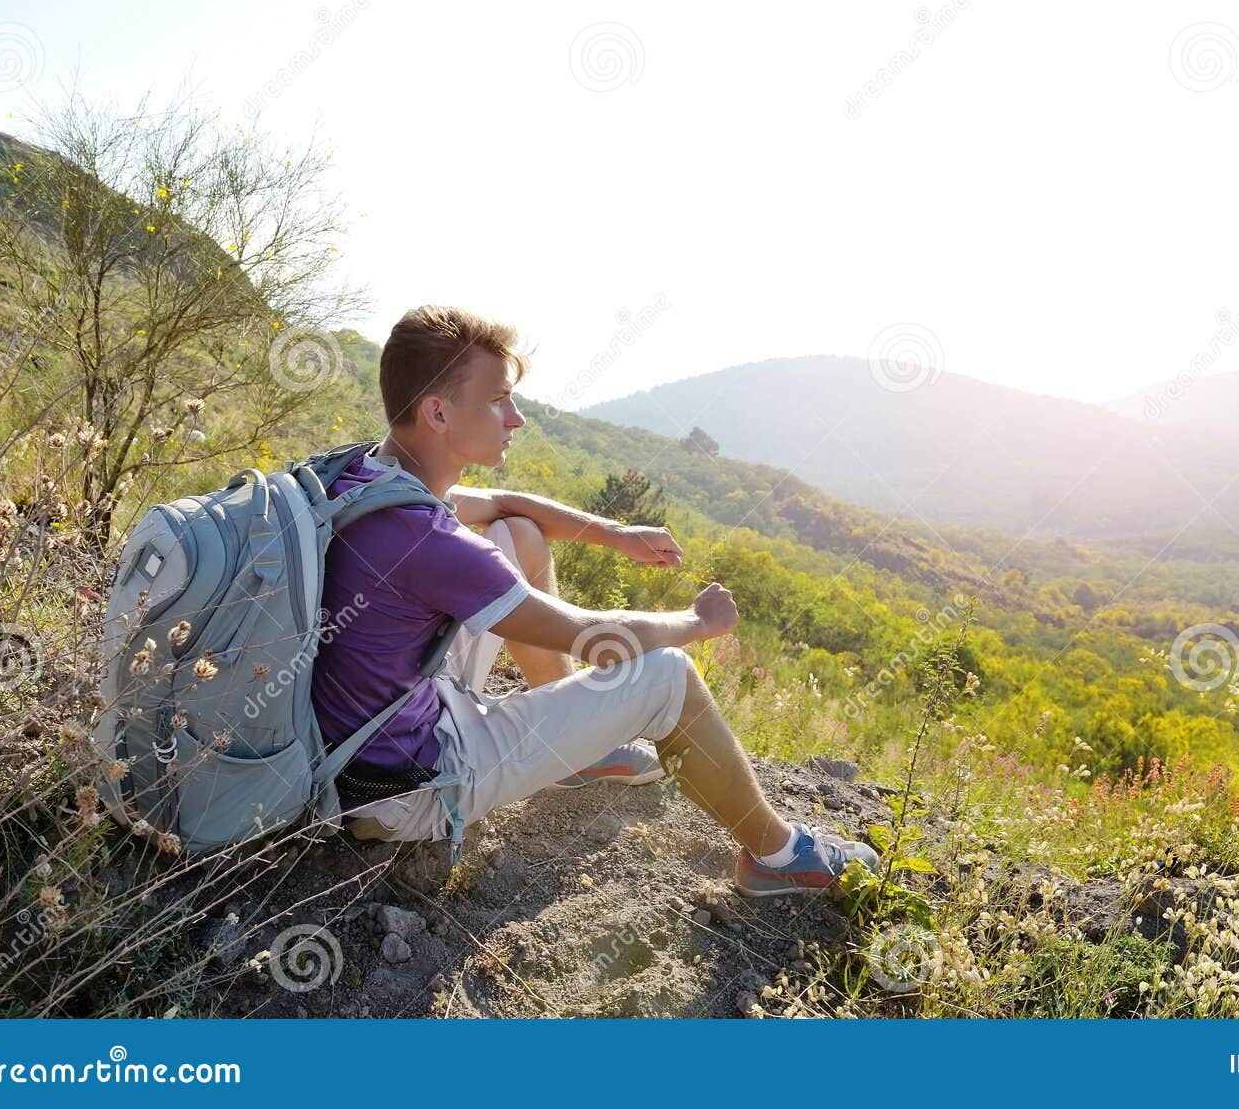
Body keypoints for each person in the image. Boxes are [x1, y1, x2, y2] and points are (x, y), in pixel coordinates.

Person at [310, 305, 879, 897]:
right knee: (668, 675)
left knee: (518, 536)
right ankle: (778, 857)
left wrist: (617, 534)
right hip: (405, 788)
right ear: (438, 412)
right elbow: (591, 633)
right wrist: (697, 622)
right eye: (498, 400)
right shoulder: (431, 539)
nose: (517, 418)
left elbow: (505, 503)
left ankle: (577, 755)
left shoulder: (360, 476)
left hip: (355, 741)